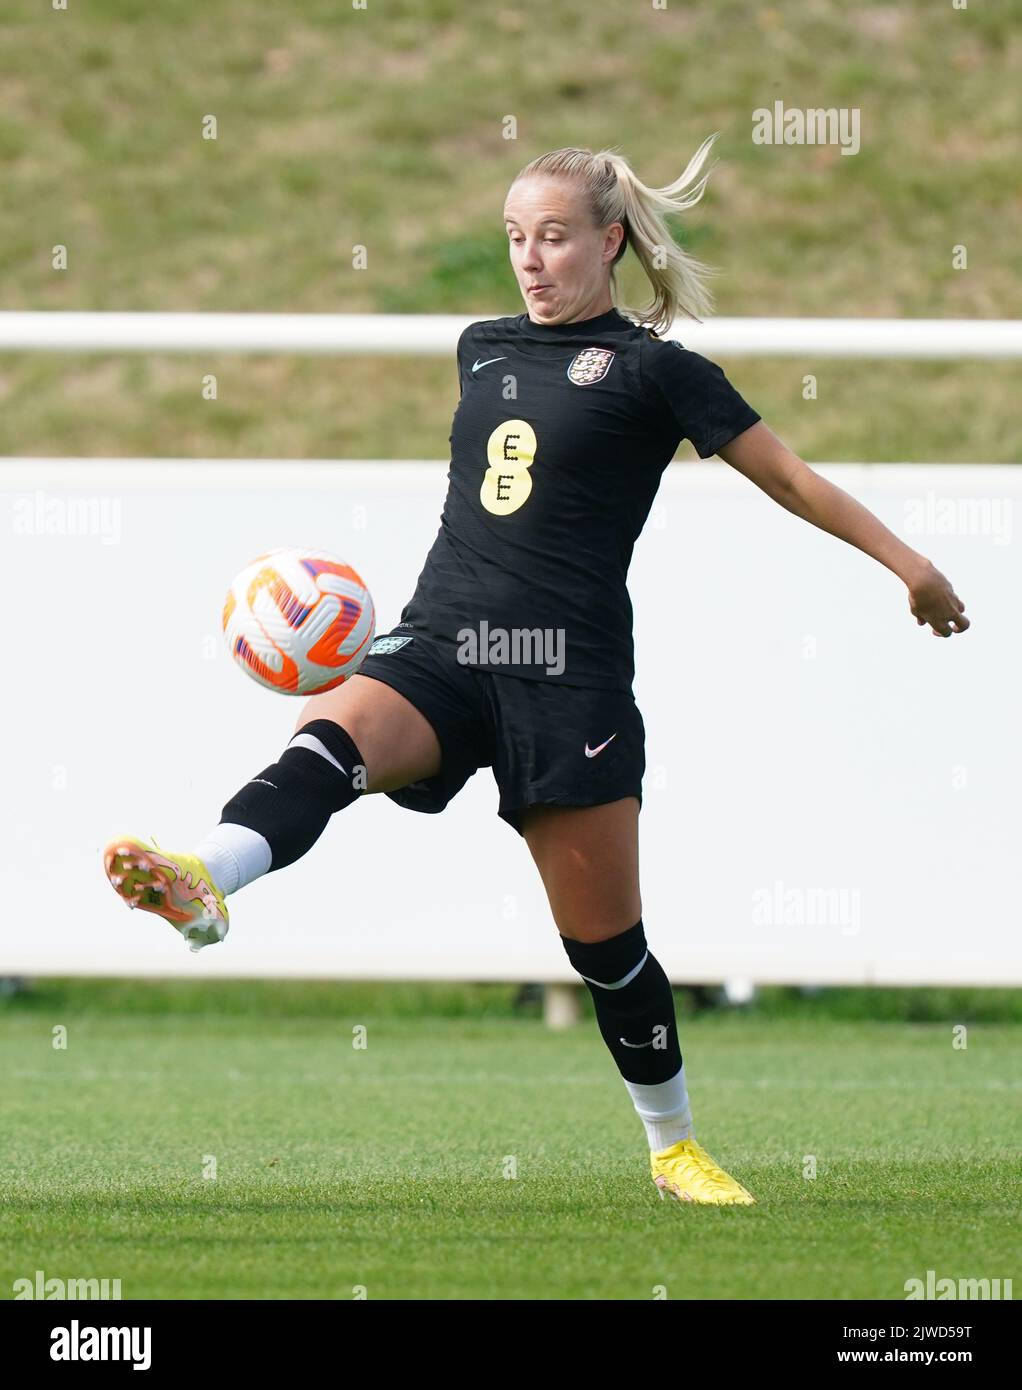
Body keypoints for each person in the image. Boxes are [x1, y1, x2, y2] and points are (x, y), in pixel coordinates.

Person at [104, 136, 969, 1206]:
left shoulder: (660, 371)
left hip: (568, 678)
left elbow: (787, 478)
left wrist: (910, 566)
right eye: (515, 237)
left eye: (552, 236)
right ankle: (205, 879)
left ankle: (672, 1144)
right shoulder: (480, 347)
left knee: (605, 950)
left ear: (608, 240)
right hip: (444, 644)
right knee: (329, 742)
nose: (529, 258)